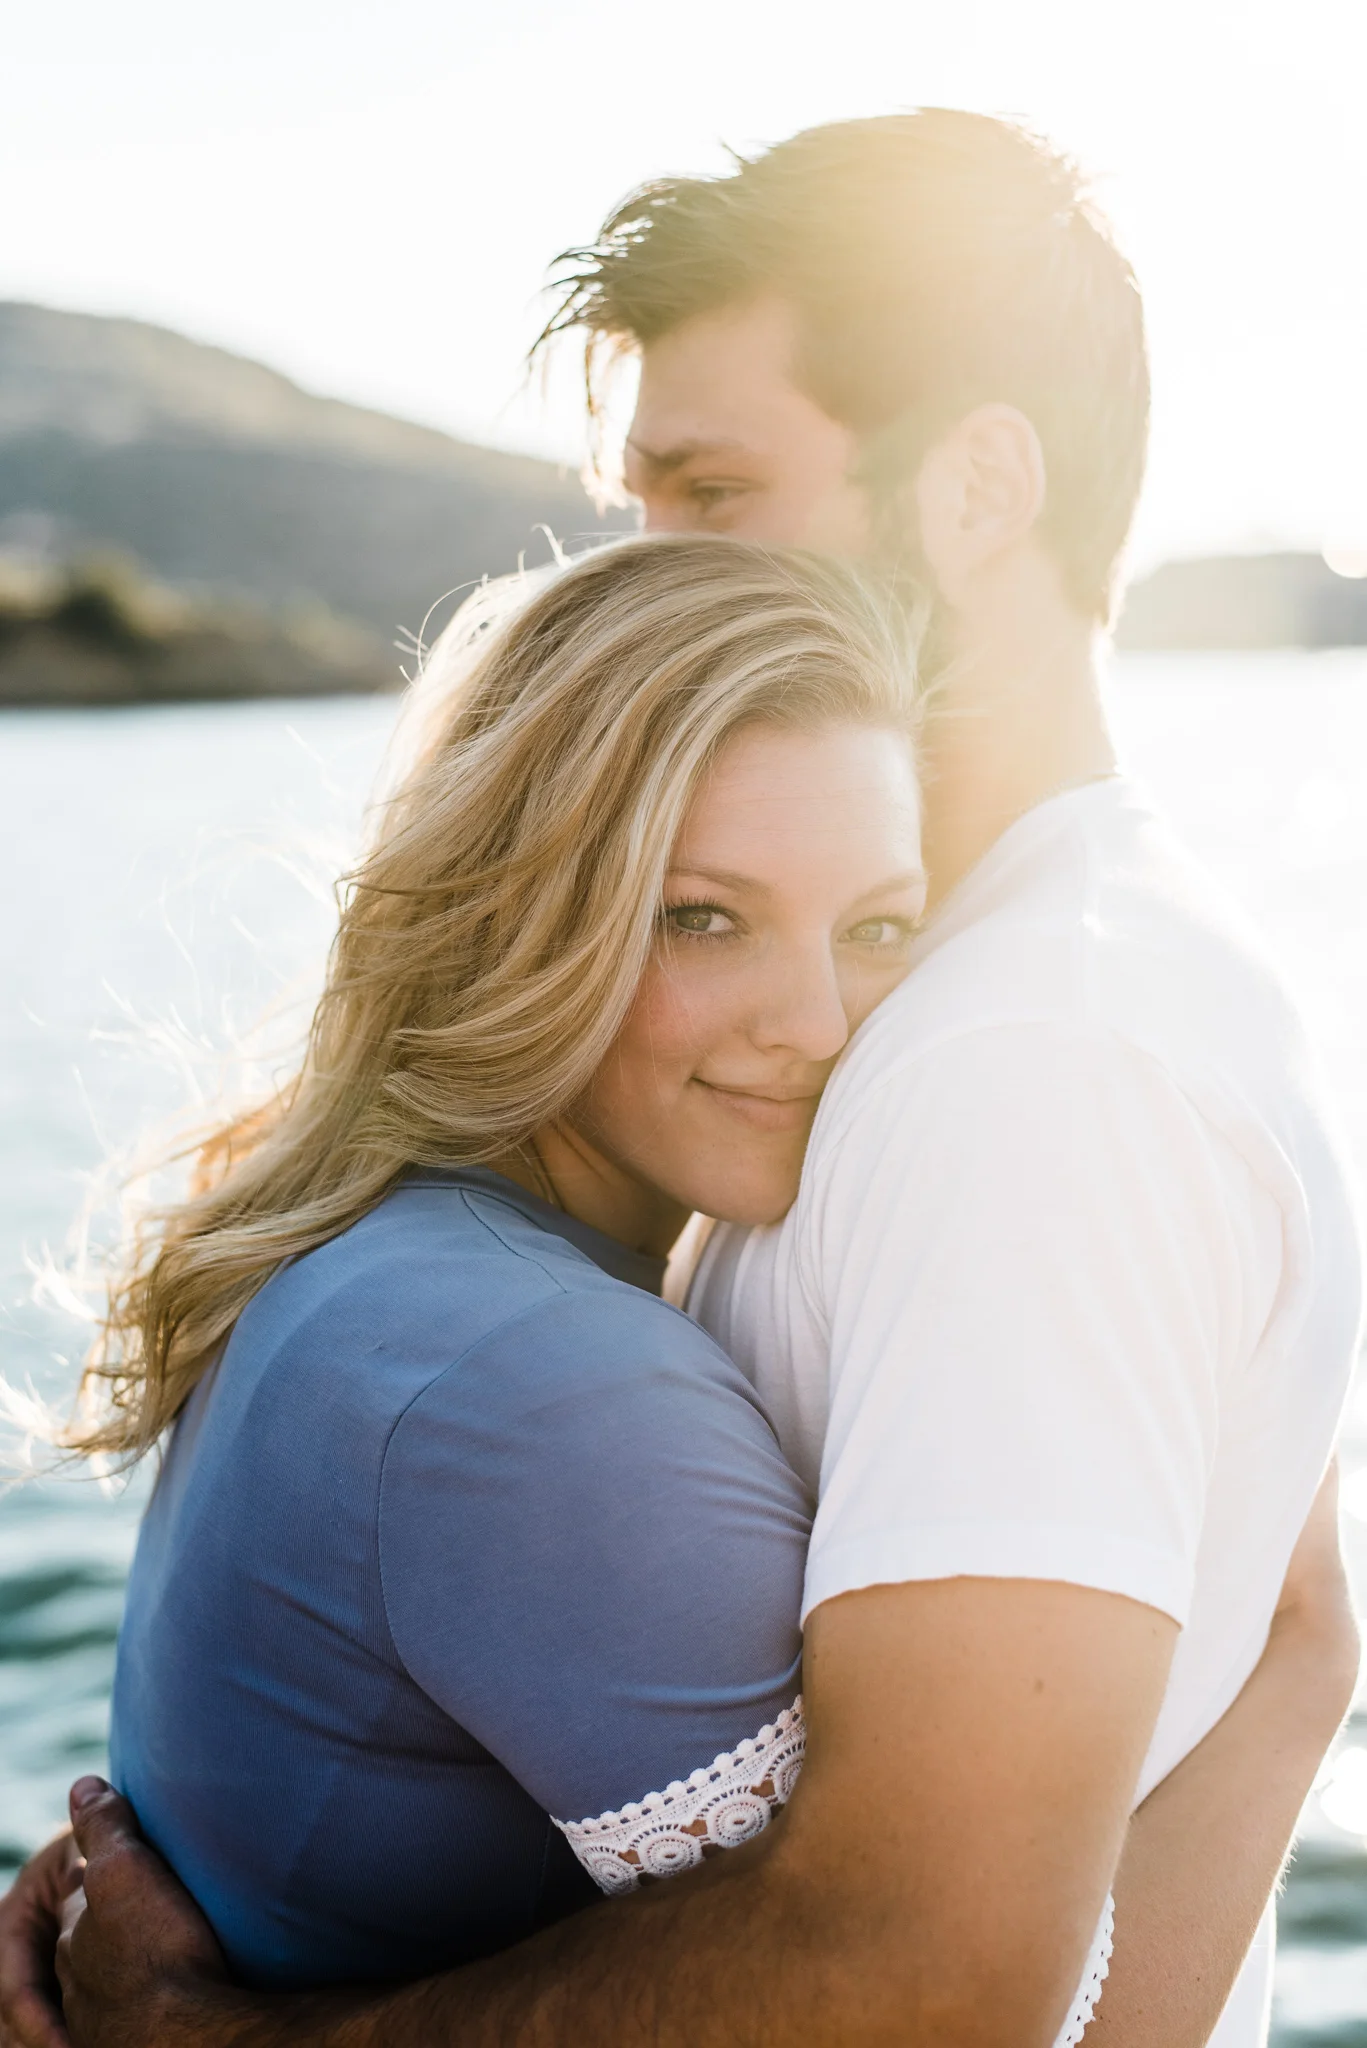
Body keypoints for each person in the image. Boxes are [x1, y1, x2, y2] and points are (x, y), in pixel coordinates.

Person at [1, 110, 1361, 2048]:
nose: (638, 574)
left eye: (709, 488)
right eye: (705, 916)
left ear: (977, 486)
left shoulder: (1023, 1065)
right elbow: (1293, 1626)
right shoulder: (1009, 995)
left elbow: (930, 1978)